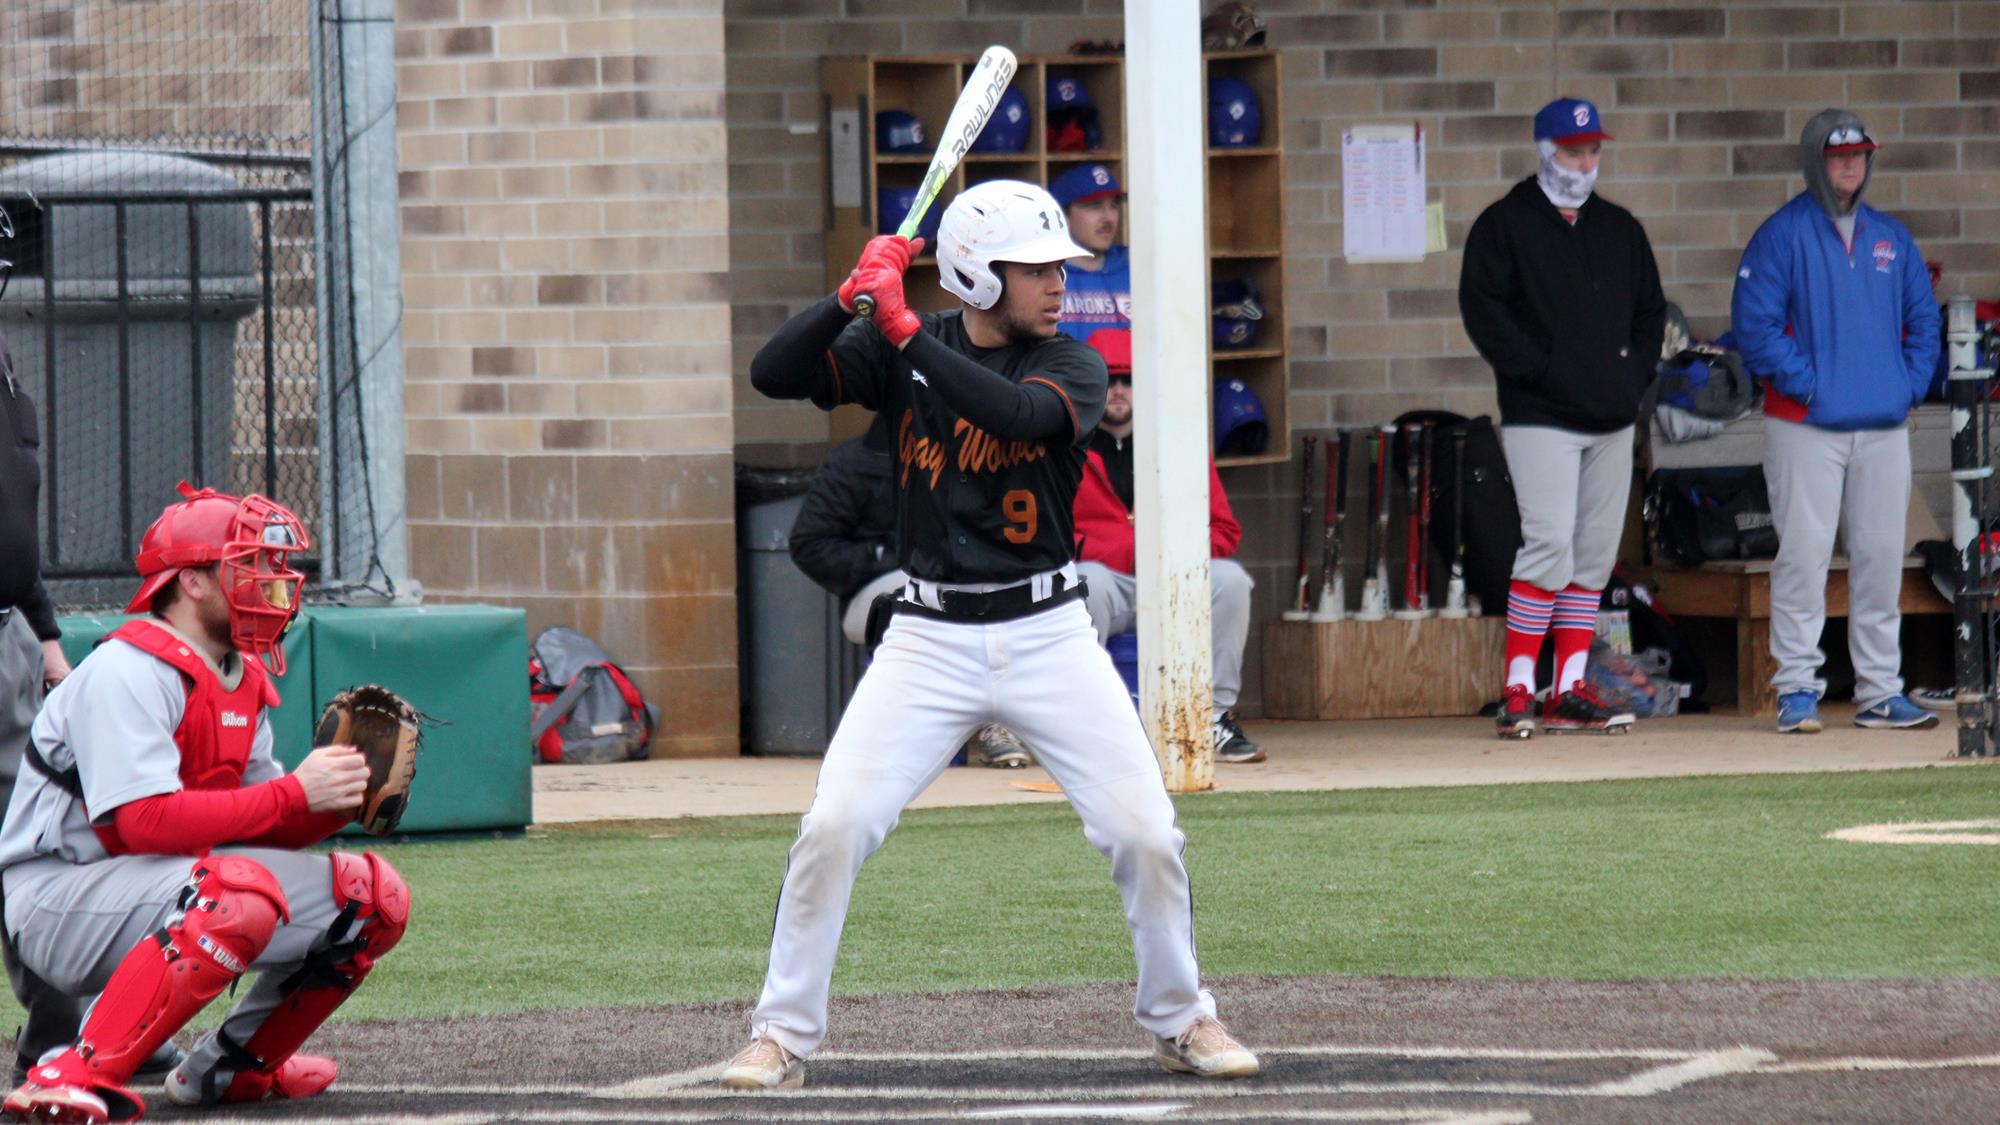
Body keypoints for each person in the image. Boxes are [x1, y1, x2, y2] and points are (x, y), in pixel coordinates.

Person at [722, 179, 1258, 1091]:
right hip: (926, 638)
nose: (1059, 284)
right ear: (976, 274)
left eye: (1060, 266)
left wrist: (893, 329)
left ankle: (1181, 1016)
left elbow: (1014, 416)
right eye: (1036, 269)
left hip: (1051, 630)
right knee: (834, 825)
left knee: (1145, 832)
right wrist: (849, 296)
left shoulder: (1074, 364)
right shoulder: (908, 341)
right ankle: (779, 1031)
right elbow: (775, 374)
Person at [0, 483, 407, 1123]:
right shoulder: (129, 668)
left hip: (159, 887)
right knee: (233, 892)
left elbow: (264, 821)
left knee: (370, 899)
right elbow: (142, 822)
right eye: (252, 567)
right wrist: (292, 793)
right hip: (57, 896)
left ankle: (232, 1065)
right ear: (191, 582)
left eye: (275, 567)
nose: (274, 582)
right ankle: (71, 1071)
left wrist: (336, 802)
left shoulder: (238, 672)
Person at [1458, 97, 1667, 738]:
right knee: (1547, 542)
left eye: (1592, 150)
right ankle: (1519, 688)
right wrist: (1539, 370)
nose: (1584, 162)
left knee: (1593, 555)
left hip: (1611, 416)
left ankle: (1570, 687)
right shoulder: (1505, 223)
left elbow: (1650, 314)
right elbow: (1483, 310)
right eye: (1572, 150)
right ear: (1545, 150)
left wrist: (1632, 380)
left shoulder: (1620, 227)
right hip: (1540, 415)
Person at [1731, 110, 1941, 733]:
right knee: (1803, 555)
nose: (1850, 165)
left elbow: (1923, 323)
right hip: (1805, 425)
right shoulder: (1781, 234)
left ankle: (1880, 690)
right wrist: (1811, 385)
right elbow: (1755, 328)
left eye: (1860, 155)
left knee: (1881, 557)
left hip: (1881, 425)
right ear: (1815, 160)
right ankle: (1797, 688)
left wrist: (1904, 385)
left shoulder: (1891, 238)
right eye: (1837, 154)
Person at [788, 417, 1035, 768]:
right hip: (877, 593)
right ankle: (963, 726)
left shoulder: (968, 455)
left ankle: (1001, 719)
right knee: (937, 593)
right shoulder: (858, 459)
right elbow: (808, 542)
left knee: (1000, 592)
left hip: (961, 583)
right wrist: (885, 557)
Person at [1070, 328, 1262, 763]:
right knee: (1085, 581)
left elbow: (1225, 530)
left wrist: (1175, 552)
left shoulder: (1180, 445)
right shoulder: (1067, 449)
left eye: (1129, 379)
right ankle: (1085, 725)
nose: (1119, 390)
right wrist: (1108, 550)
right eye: (1108, 380)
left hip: (1175, 578)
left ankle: (1212, 716)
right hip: (1108, 585)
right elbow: (1047, 536)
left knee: (1231, 580)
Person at [1049, 162, 1129, 342]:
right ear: (1062, 215)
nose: (1108, 218)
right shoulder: (1042, 277)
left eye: (1114, 206)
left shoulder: (1137, 271)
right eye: (1094, 206)